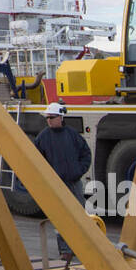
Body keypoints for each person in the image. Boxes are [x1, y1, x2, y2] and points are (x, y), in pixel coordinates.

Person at [34, 102, 91, 259]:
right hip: (56, 185)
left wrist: (79, 171)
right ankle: (65, 251)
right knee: (61, 218)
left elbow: (86, 154)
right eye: (47, 118)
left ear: (61, 117)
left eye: (51, 117)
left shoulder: (72, 135)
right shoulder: (43, 137)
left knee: (79, 215)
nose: (49, 120)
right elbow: (37, 160)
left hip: (74, 183)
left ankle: (81, 247)